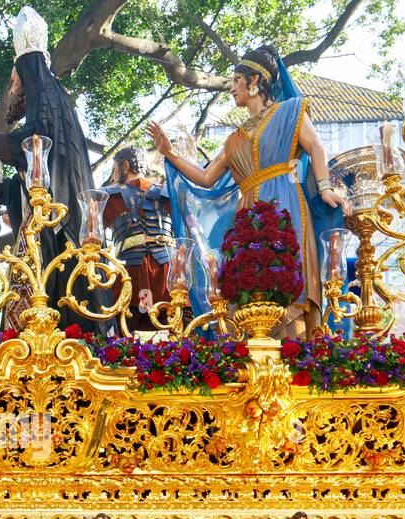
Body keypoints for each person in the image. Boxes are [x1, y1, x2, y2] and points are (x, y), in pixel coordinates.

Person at [148, 44, 346, 335]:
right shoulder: (233, 140)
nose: (231, 88)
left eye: (235, 80)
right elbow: (205, 178)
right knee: (248, 289)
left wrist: (326, 188)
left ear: (254, 81)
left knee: (287, 279)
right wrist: (169, 152)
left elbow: (316, 146)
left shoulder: (290, 111)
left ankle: (295, 347)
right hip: (247, 216)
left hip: (286, 206)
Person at [0, 5, 110, 332]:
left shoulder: (47, 113)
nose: (10, 91)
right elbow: (8, 191)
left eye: (12, 81)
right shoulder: (32, 149)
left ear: (25, 77)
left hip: (55, 236)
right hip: (30, 243)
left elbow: (33, 141)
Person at [101, 146, 175, 330]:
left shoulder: (107, 197)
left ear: (125, 166)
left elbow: (90, 236)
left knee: (128, 333)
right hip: (167, 270)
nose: (113, 177)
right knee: (176, 328)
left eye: (114, 170)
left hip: (129, 272)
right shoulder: (169, 193)